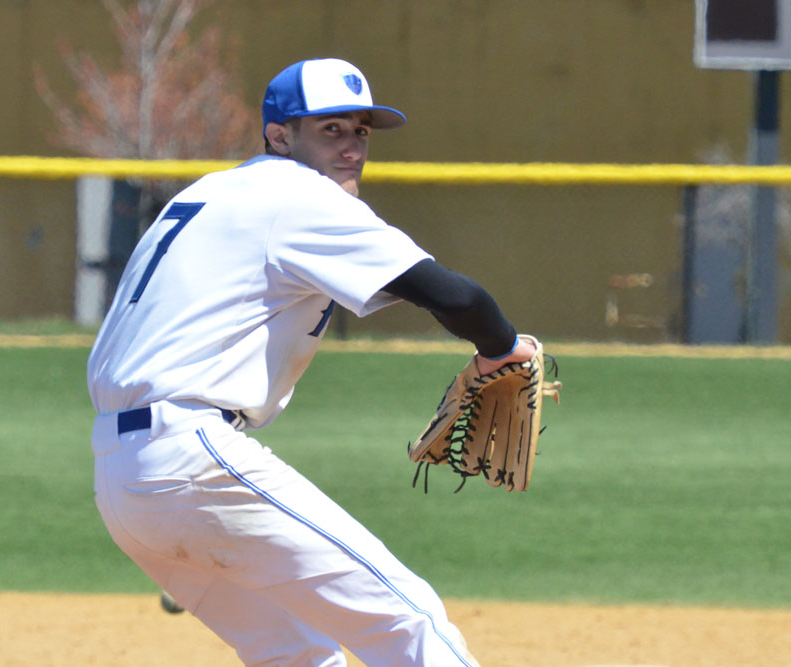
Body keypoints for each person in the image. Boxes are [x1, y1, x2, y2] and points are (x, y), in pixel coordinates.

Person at [87, 57, 536, 667]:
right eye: (331, 130)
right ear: (279, 136)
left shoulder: (208, 191)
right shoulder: (298, 195)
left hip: (122, 478)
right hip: (188, 457)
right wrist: (502, 348)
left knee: (298, 654)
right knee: (408, 620)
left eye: (361, 131)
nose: (352, 147)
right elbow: (454, 297)